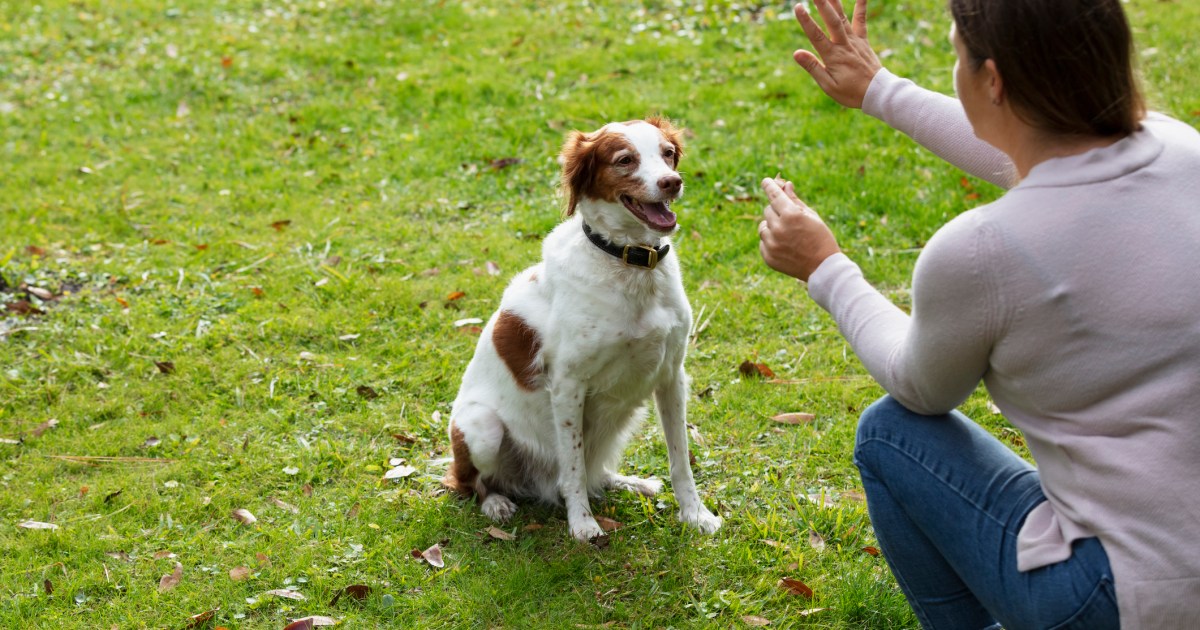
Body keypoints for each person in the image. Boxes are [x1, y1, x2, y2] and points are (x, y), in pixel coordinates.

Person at [756, 0, 1200, 628]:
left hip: (1123, 600)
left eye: (957, 54)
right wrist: (882, 91)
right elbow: (1044, 155)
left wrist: (825, 267)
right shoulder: (1184, 150)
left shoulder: (982, 251)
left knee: (890, 432)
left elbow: (920, 387)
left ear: (991, 80)